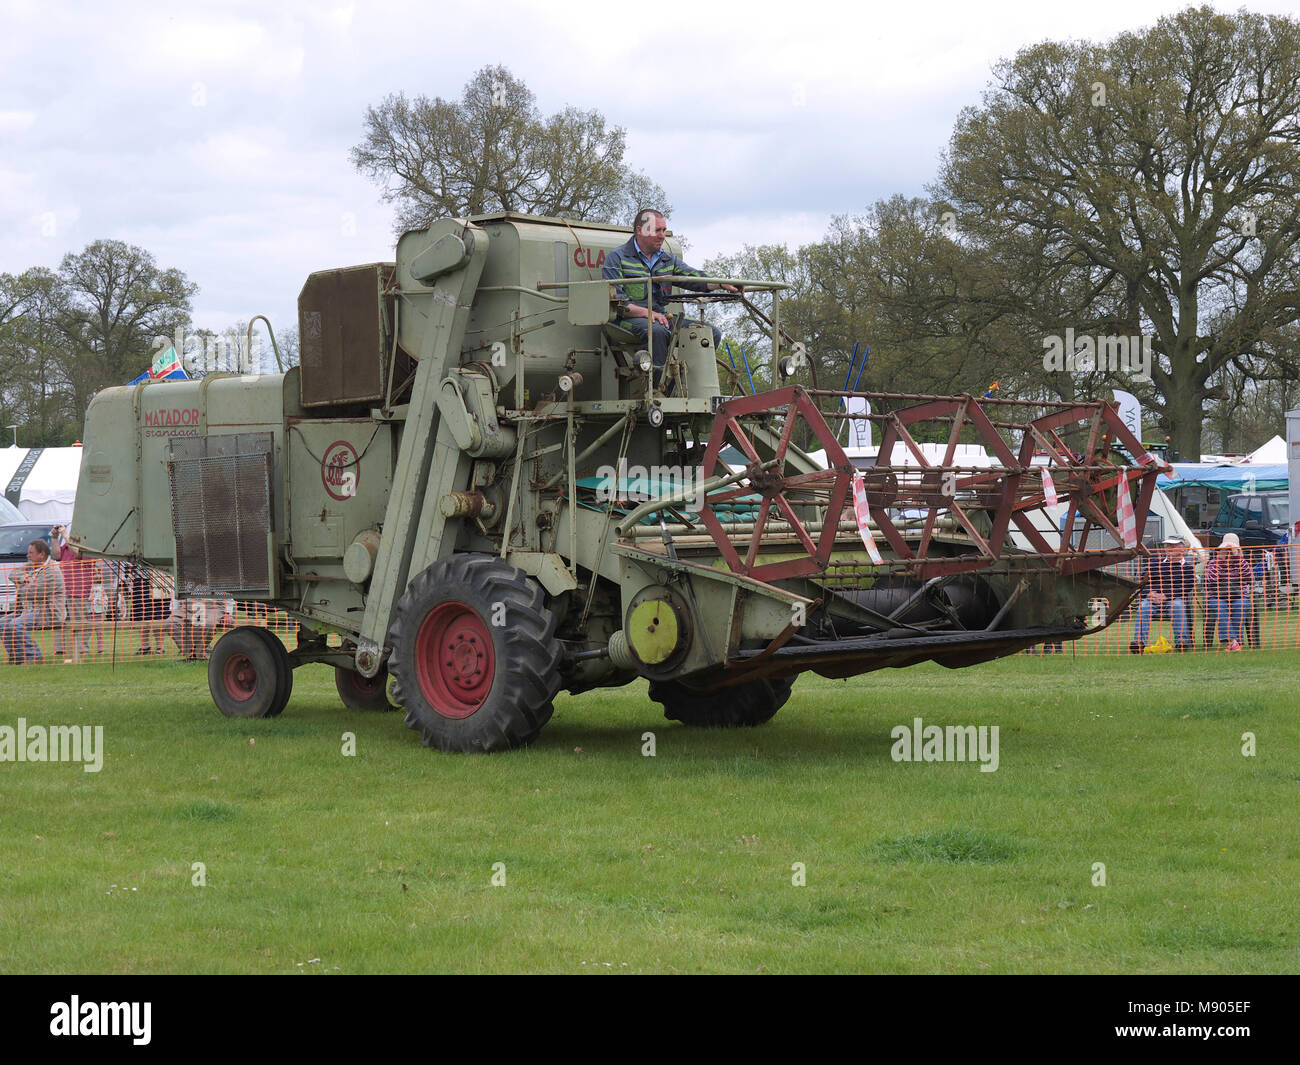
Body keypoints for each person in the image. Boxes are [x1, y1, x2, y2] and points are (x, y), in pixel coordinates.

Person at [601, 208, 737, 385]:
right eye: (657, 230)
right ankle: (659, 389)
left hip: (660, 317)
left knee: (710, 333)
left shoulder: (667, 260)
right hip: (623, 320)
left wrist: (721, 283)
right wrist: (646, 313)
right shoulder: (617, 258)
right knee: (657, 331)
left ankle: (682, 386)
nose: (662, 236)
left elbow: (693, 279)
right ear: (639, 230)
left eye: (664, 230)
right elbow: (616, 303)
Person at [0, 539, 66, 664]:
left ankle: (34, 656)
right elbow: (12, 574)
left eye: (31, 553)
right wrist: (24, 579)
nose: (27, 555)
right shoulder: (32, 565)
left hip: (47, 613)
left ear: (42, 555)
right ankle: (17, 658)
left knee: (15, 625)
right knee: (2, 623)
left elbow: (33, 593)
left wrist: (20, 586)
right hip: (27, 611)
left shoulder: (52, 570)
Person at [1130, 536, 1197, 653]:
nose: (1169, 548)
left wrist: (1166, 596)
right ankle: (1139, 643)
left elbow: (1187, 587)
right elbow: (1143, 582)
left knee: (1177, 606)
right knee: (1144, 607)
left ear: (1182, 549)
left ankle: (1181, 642)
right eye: (1167, 545)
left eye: (1173, 545)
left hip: (1174, 599)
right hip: (1152, 598)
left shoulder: (1188, 568)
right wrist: (1149, 594)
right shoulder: (1155, 563)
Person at [50, 524, 94, 663]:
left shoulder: (86, 547)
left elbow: (77, 553)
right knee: (60, 619)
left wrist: (65, 535)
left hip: (79, 590)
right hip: (62, 590)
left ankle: (82, 648)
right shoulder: (66, 547)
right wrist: (55, 537)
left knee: (80, 620)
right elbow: (57, 555)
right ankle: (60, 649)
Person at [1204, 533, 1253, 652]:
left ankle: (1233, 643)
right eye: (1227, 549)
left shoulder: (1242, 562)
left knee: (1240, 604)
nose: (1229, 552)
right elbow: (1212, 578)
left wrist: (1237, 557)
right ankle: (1234, 642)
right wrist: (1221, 559)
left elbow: (1250, 578)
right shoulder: (1213, 563)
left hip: (1239, 595)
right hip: (1217, 596)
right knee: (1219, 605)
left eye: (1232, 550)